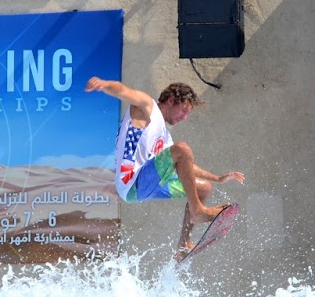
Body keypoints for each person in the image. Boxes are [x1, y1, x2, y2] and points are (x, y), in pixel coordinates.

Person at [84, 76, 245, 255]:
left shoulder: (164, 135)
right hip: (132, 183)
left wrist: (218, 178)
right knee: (182, 149)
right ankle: (197, 211)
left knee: (203, 188)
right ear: (171, 100)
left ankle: (183, 244)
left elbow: (185, 165)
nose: (184, 118)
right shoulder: (147, 107)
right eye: (183, 111)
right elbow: (122, 90)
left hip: (148, 184)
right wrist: (104, 85)